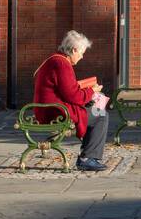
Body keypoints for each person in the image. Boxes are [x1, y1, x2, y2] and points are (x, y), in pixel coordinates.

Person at [33, 30, 108, 172]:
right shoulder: (61, 63)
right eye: (82, 53)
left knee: (100, 100)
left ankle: (88, 147)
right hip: (55, 111)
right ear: (74, 50)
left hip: (51, 107)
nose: (82, 57)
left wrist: (91, 91)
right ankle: (88, 158)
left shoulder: (57, 59)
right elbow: (73, 96)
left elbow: (67, 90)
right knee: (102, 115)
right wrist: (92, 90)